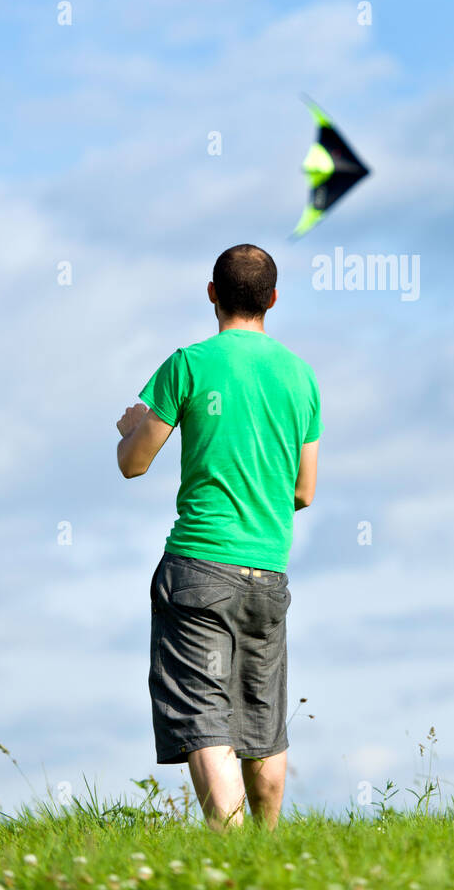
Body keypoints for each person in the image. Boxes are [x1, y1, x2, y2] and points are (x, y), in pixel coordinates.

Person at [115, 243, 321, 831]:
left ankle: (230, 858)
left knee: (205, 720)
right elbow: (304, 491)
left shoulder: (188, 364)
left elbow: (134, 463)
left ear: (212, 293)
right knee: (263, 723)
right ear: (272, 299)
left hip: (199, 569)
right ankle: (266, 850)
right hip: (268, 572)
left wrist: (132, 428)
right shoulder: (300, 376)